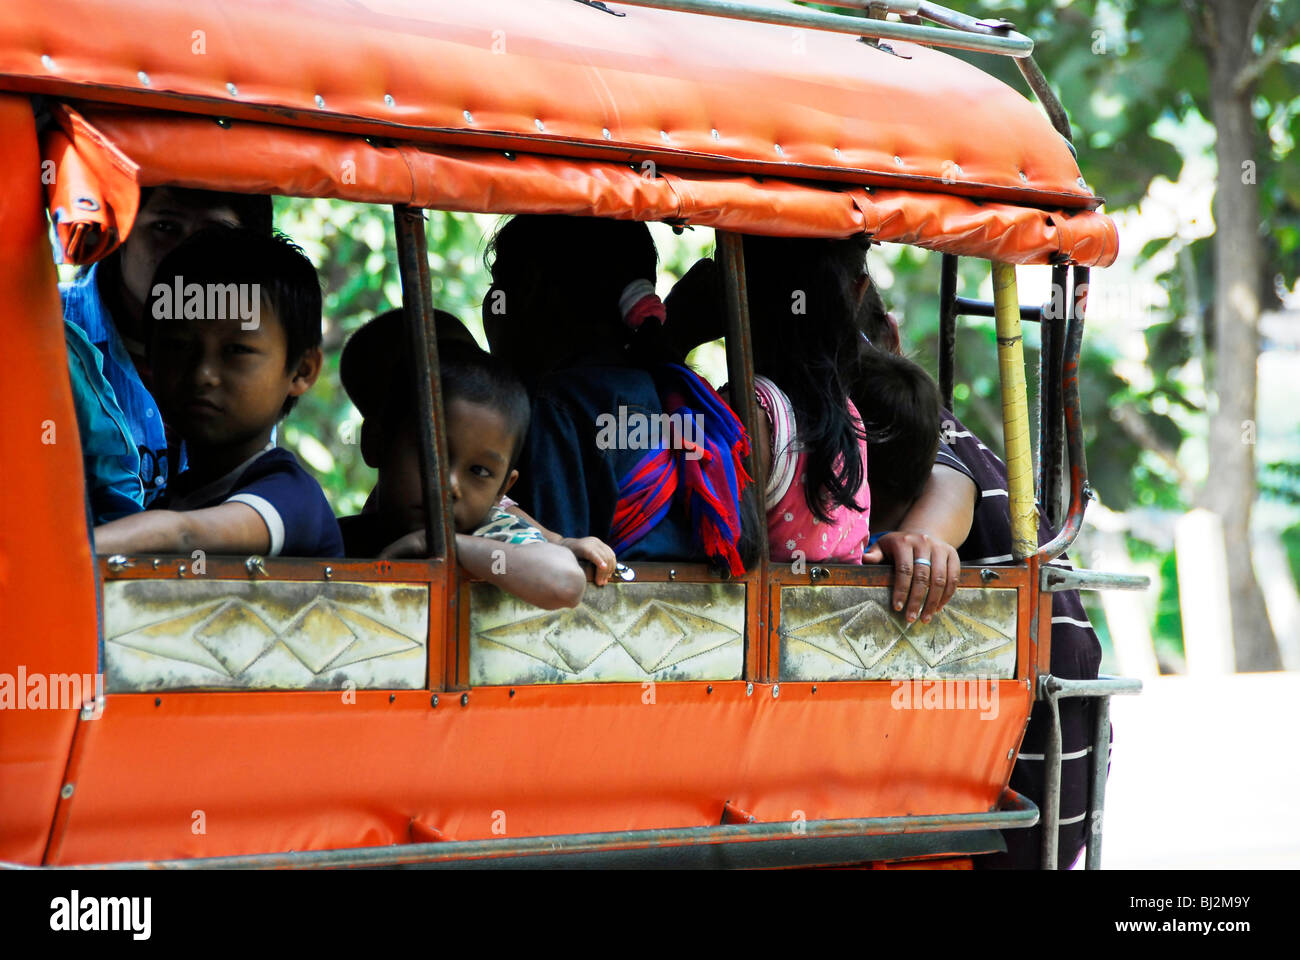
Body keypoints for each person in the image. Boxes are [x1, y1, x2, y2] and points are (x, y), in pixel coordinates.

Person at [857, 275, 1105, 870]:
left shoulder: (928, 449)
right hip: (1057, 791)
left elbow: (948, 491)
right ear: (892, 334)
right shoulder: (947, 431)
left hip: (1012, 795)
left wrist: (921, 547)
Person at [482, 215, 757, 575]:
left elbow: (551, 568)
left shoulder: (557, 405)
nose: (491, 301)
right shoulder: (678, 391)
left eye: (499, 282)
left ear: (532, 292)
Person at [92, 227, 342, 559]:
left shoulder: (291, 496)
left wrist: (59, 554)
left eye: (237, 350)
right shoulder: (174, 498)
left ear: (302, 371)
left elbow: (180, 535)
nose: (203, 374)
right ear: (150, 358)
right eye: (179, 346)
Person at [344, 324, 592, 609]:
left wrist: (447, 545)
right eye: (430, 455)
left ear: (502, 490)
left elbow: (566, 582)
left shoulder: (491, 531)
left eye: (479, 471)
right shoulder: (344, 537)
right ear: (375, 444)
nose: (450, 485)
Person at [62, 186, 273, 502]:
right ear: (120, 232)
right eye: (164, 228)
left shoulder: (257, 351)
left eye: (214, 234)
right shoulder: (41, 327)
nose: (184, 253)